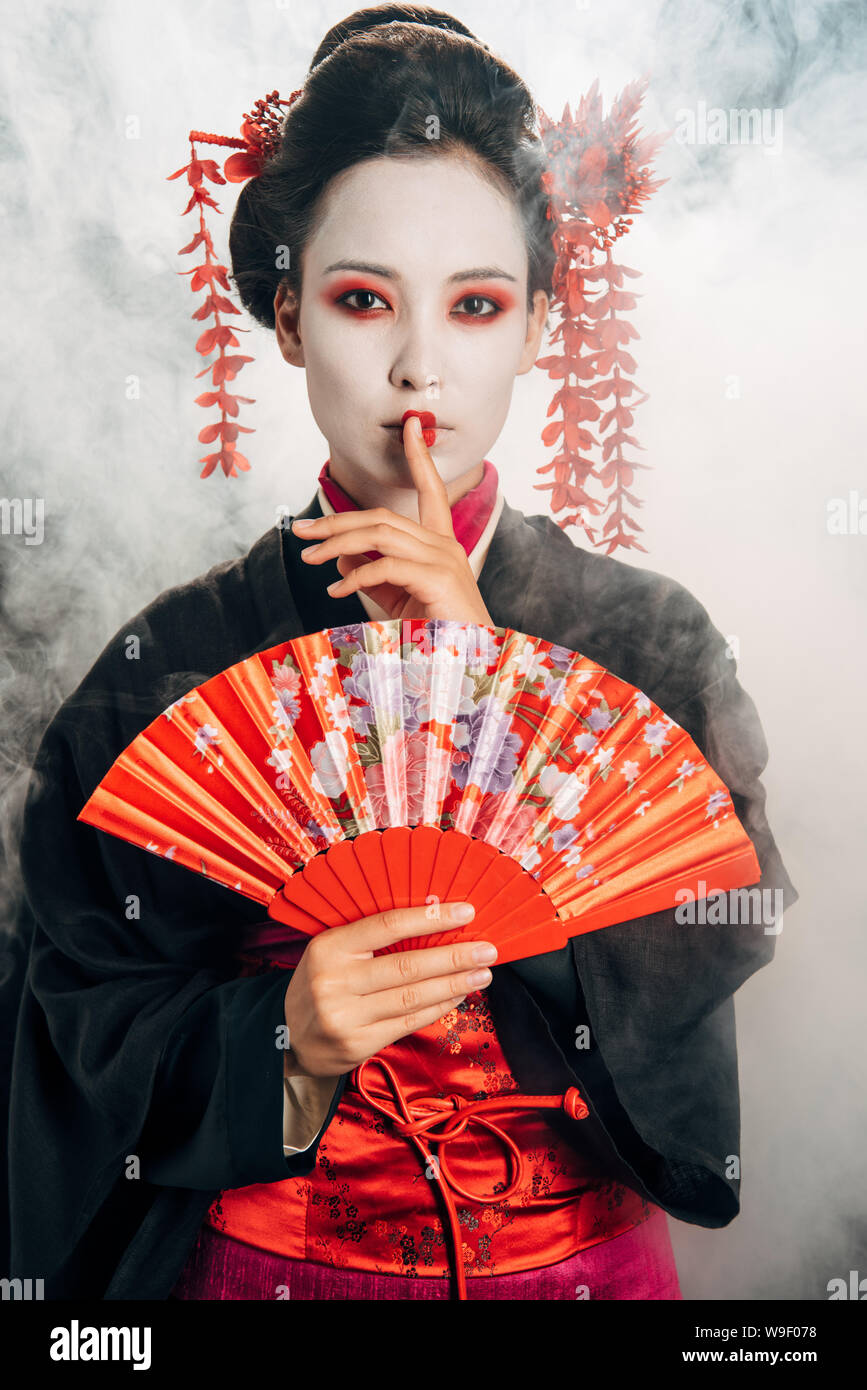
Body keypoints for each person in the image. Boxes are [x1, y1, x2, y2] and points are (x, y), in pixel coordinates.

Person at [7, 4, 797, 1301]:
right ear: (286, 318)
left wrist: (500, 689)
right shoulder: (177, 661)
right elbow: (77, 1003)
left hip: (578, 1269)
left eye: (477, 304)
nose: (420, 367)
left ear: (540, 324)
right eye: (364, 298)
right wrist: (285, 1041)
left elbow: (722, 913)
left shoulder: (647, 639)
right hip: (272, 1273)